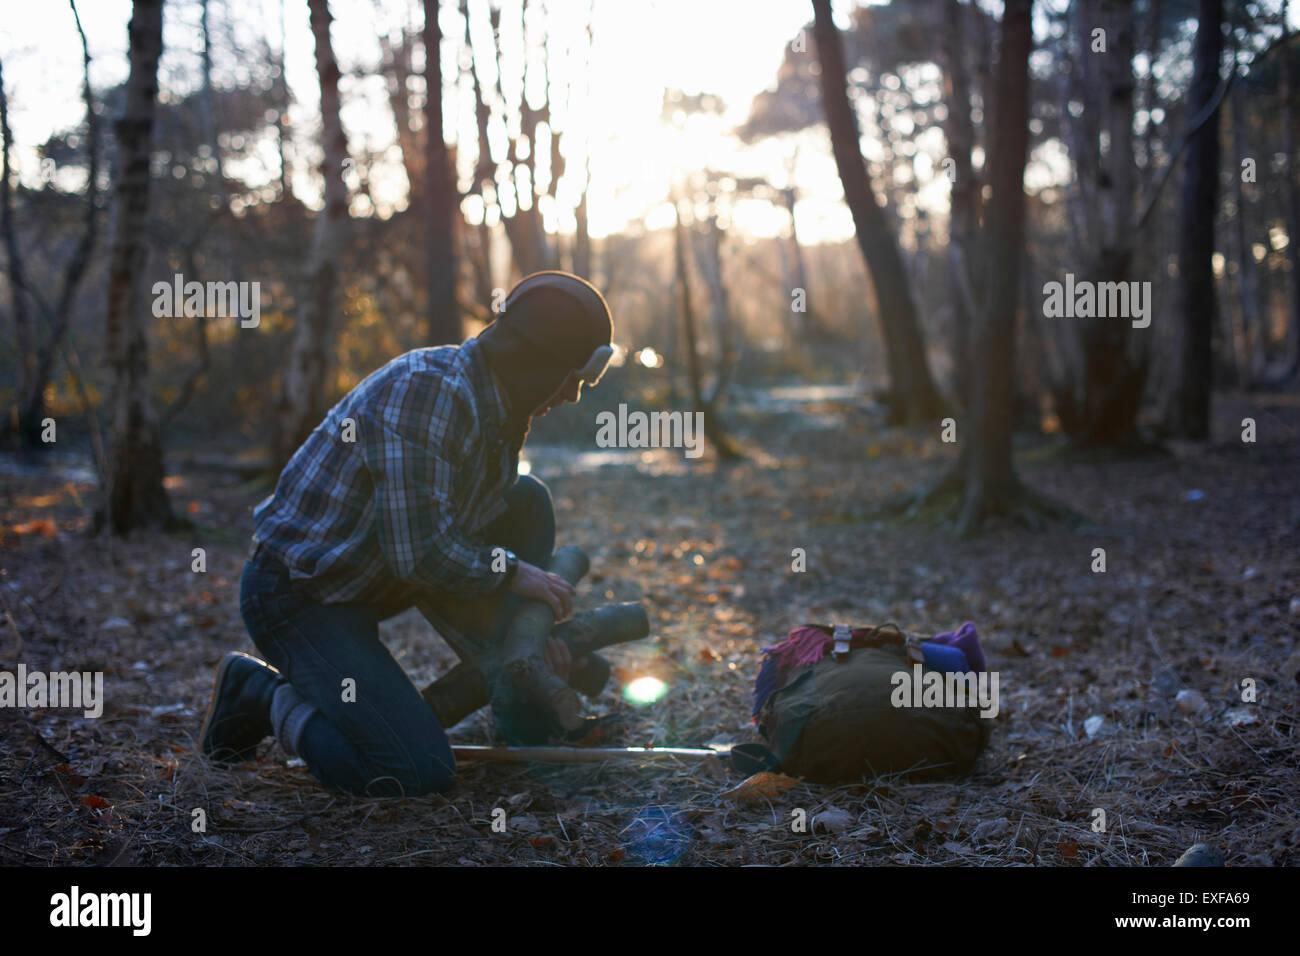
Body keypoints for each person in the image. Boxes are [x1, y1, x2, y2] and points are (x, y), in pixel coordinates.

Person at [198, 271, 614, 796]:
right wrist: (512, 573)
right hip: (298, 593)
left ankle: (519, 696)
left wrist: (524, 644)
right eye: (571, 377)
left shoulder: (497, 407)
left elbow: (446, 539)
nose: (573, 396)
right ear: (536, 362)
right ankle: (257, 693)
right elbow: (420, 556)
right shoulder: (428, 393)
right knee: (410, 769)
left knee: (526, 500)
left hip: (374, 576)